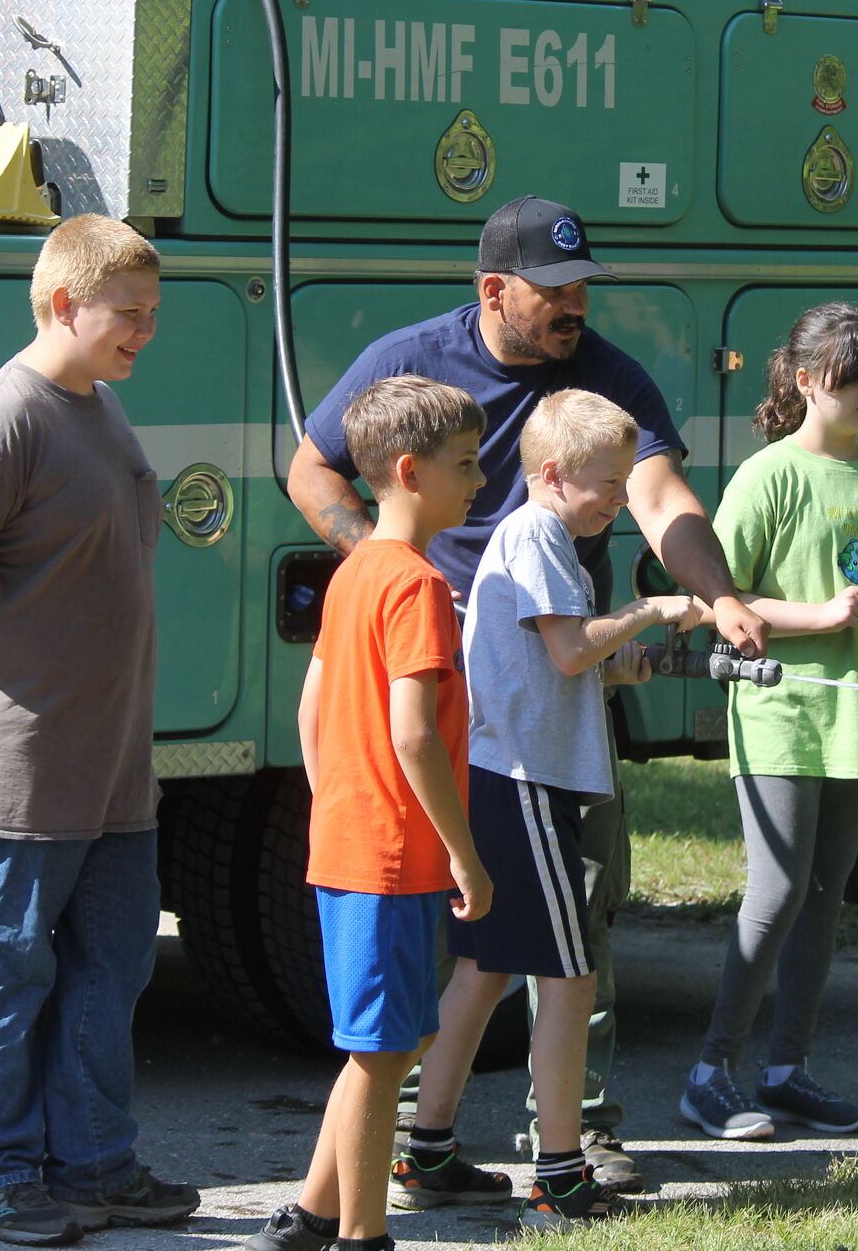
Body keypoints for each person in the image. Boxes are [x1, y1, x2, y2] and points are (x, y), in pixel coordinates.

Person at [286, 195, 768, 1191]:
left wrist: (713, 595)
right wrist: (390, 563)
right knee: (517, 940)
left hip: (550, 692)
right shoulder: (410, 362)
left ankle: (559, 1131)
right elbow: (311, 471)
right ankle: (520, 1160)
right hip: (447, 674)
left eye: (581, 286)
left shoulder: (602, 376)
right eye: (551, 291)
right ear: (491, 290)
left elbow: (662, 496)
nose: (571, 306)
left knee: (558, 920)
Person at [0, 214, 199, 1246]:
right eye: (130, 315)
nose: (145, 334)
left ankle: (95, 1164)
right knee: (6, 968)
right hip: (14, 771)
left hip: (109, 770)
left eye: (153, 315)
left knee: (112, 966)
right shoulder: (3, 419)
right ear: (64, 304)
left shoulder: (97, 407)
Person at [398, 390, 705, 1230]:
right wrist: (652, 609)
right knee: (570, 979)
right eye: (608, 482)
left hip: (506, 777)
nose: (618, 498)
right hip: (527, 784)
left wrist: (624, 663)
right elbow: (570, 650)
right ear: (552, 474)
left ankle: (425, 1151)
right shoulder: (537, 534)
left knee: (483, 971)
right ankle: (561, 1171)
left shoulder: (547, 541)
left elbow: (554, 662)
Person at [246, 376, 497, 1251]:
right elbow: (416, 735)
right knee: (382, 1054)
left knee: (395, 1036)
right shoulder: (419, 586)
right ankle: (363, 1234)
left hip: (358, 840)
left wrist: (336, 797)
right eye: (464, 464)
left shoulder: (355, 572)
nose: (480, 480)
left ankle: (312, 1215)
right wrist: (465, 853)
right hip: (394, 854)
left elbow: (313, 707)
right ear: (408, 470)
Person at [679, 302, 858, 1141]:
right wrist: (821, 617)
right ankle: (709, 1071)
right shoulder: (768, 476)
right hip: (783, 717)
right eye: (849, 377)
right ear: (802, 382)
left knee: (822, 900)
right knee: (780, 888)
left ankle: (787, 1069)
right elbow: (716, 597)